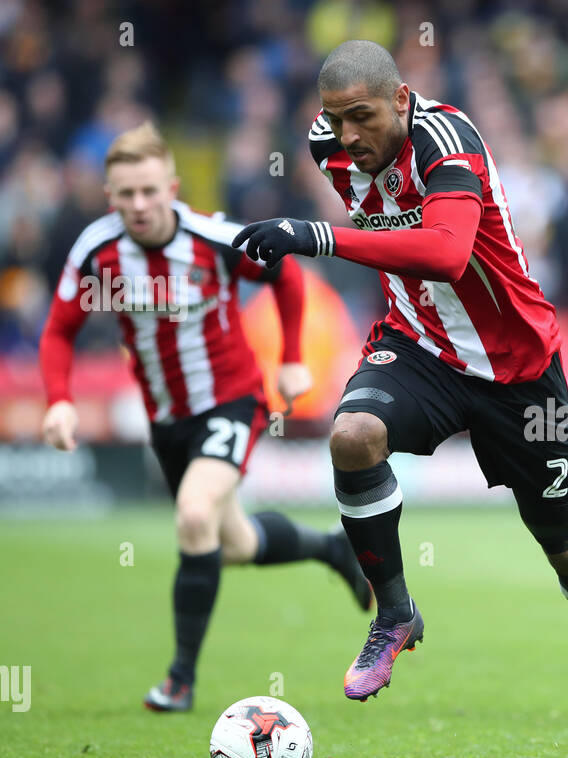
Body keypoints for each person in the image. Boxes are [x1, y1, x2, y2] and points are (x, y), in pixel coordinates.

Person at [230, 40, 568, 758]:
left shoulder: (448, 141)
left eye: (362, 117)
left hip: (518, 368)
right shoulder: (329, 146)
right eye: (335, 119)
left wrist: (315, 237)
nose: (348, 136)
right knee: (351, 436)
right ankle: (394, 613)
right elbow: (386, 229)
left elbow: (448, 252)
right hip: (419, 347)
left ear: (401, 98)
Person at [39, 122, 373, 712]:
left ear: (171, 186)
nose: (139, 205)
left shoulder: (214, 238)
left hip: (233, 401)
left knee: (195, 515)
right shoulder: (96, 252)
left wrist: (293, 360)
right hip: (168, 420)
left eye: (149, 191)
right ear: (109, 196)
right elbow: (59, 330)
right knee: (232, 543)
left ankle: (179, 681)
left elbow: (286, 273)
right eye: (125, 194)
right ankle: (332, 549)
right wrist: (59, 399)